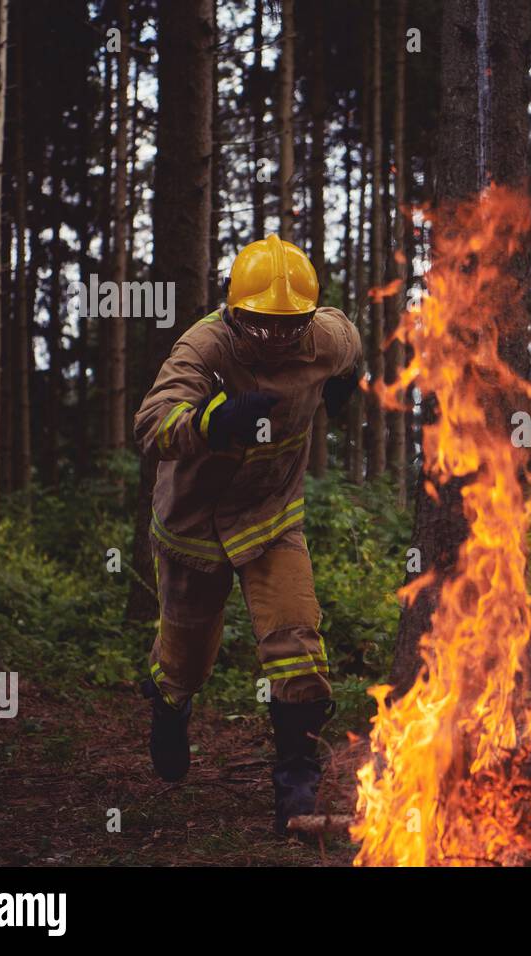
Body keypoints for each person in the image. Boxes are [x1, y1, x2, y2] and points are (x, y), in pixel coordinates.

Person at [132, 234, 362, 836]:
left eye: (289, 325)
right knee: (186, 661)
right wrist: (212, 420)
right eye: (261, 324)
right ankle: (170, 702)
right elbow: (152, 423)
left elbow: (353, 348)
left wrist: (346, 383)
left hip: (270, 518)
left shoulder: (328, 337)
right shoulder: (204, 347)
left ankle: (296, 791)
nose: (276, 338)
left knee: (297, 646)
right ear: (236, 312)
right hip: (193, 527)